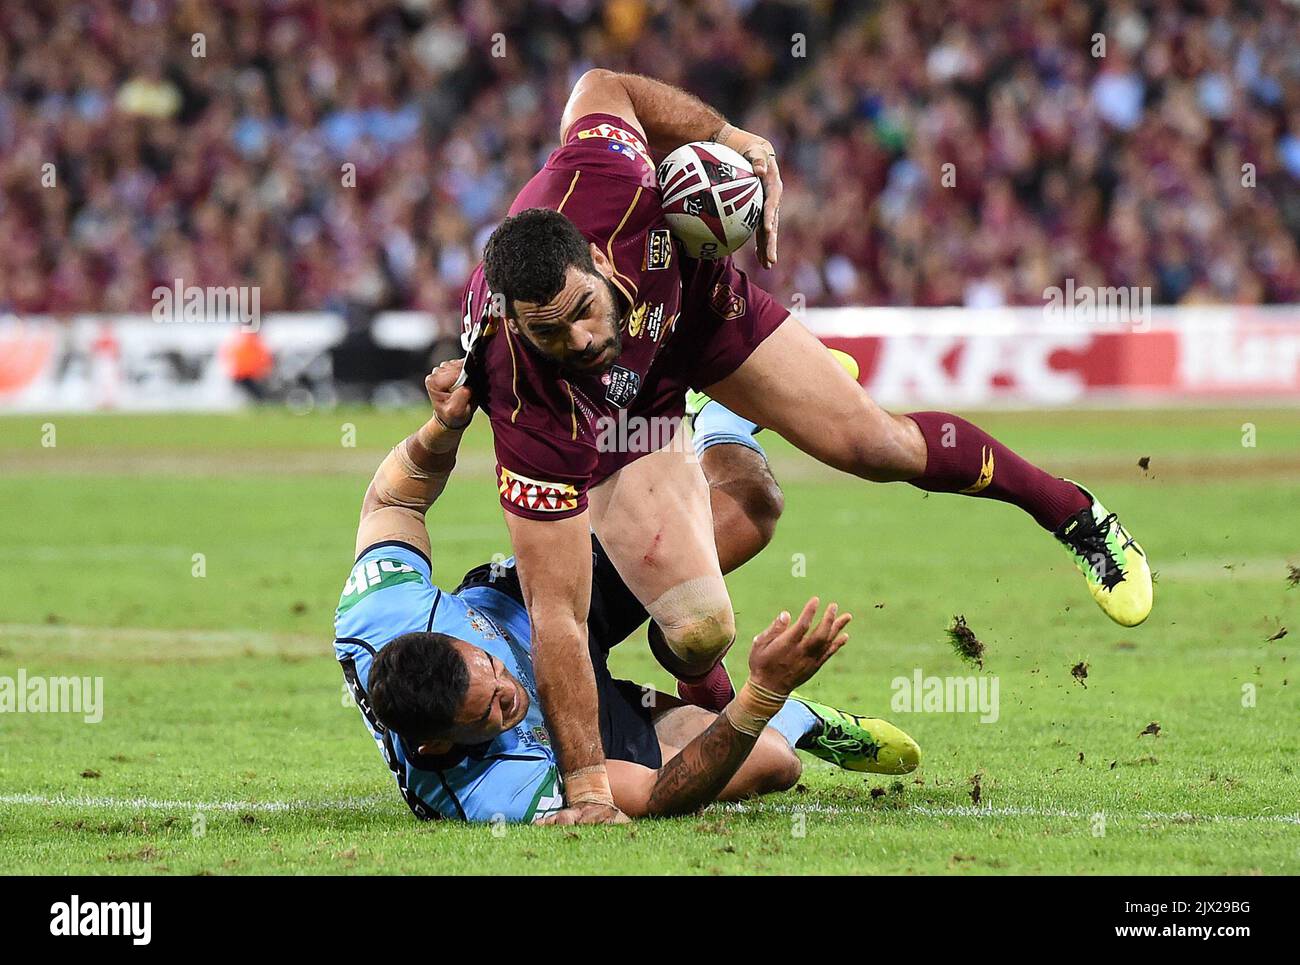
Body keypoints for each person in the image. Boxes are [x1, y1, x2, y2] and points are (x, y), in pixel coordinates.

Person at [333, 359, 919, 823]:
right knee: (772, 761)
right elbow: (659, 794)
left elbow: (393, 501)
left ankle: (718, 419)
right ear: (438, 747)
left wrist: (445, 425)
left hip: (531, 604)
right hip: (570, 735)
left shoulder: (382, 611)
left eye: (491, 666)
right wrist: (765, 691)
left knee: (750, 512)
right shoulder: (497, 792)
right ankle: (799, 717)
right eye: (492, 708)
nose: (510, 686)